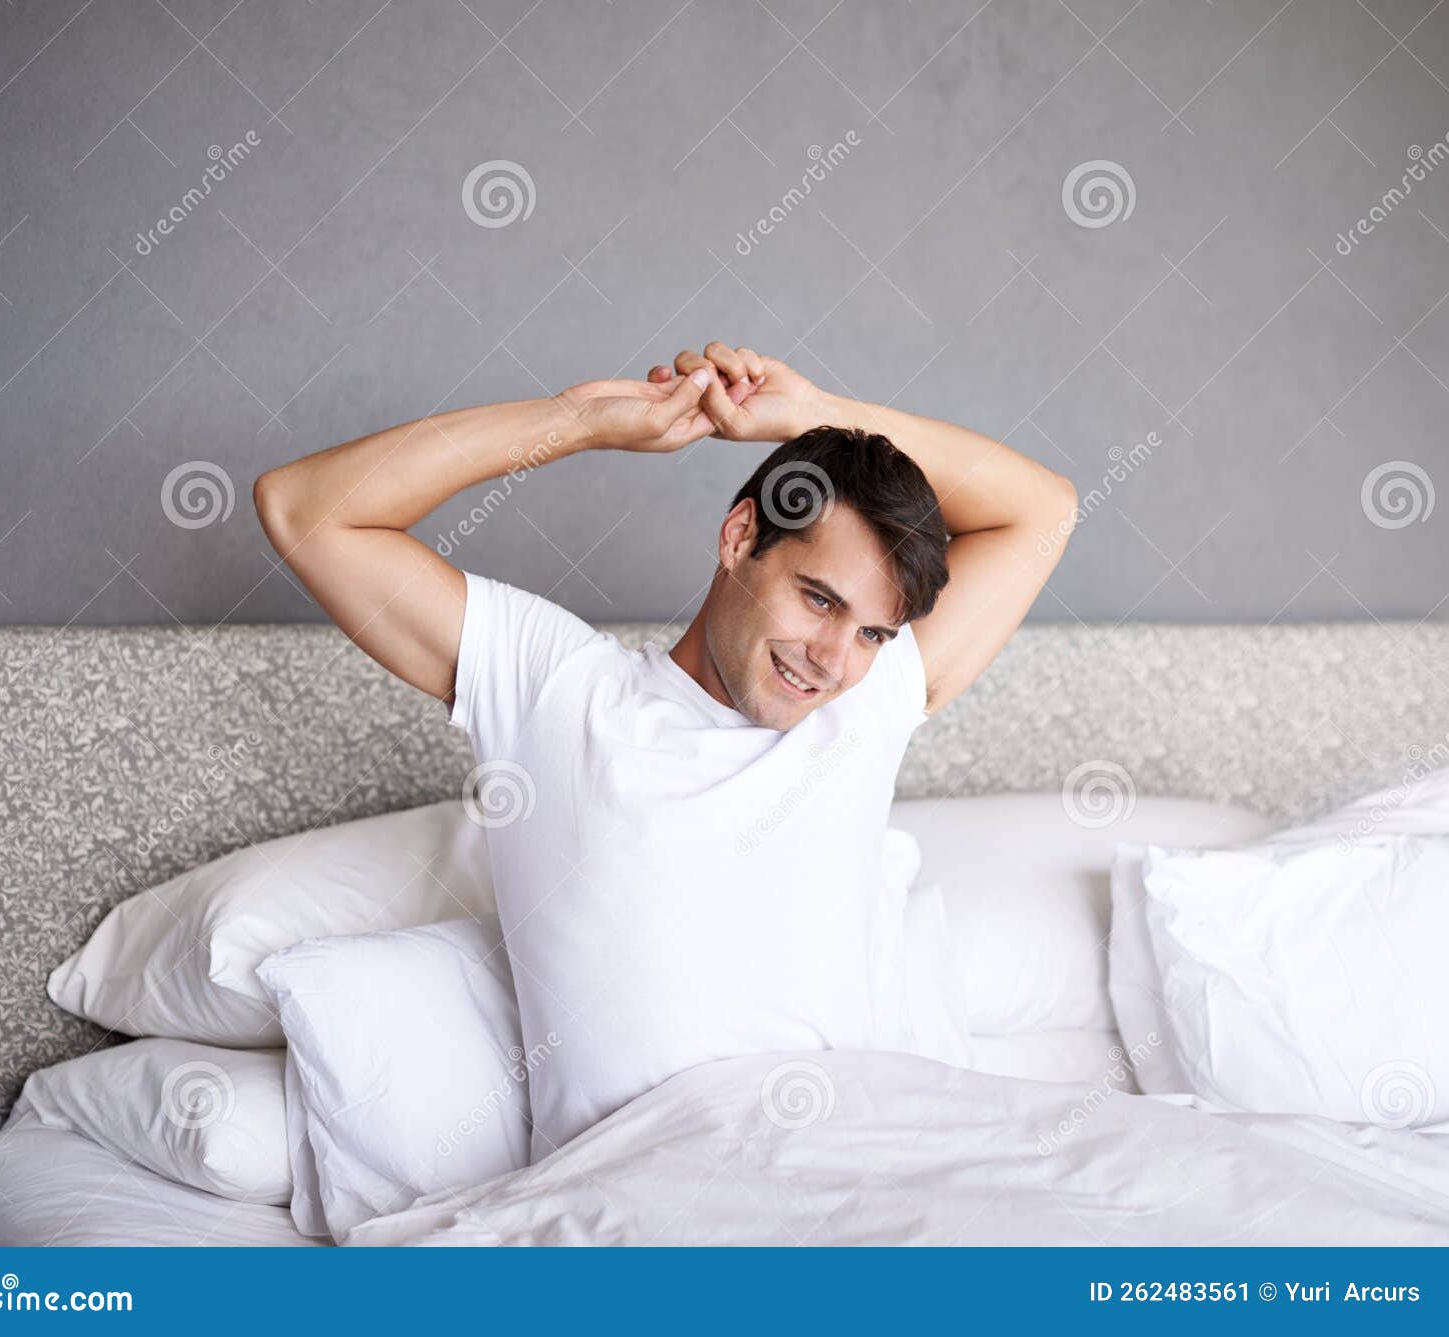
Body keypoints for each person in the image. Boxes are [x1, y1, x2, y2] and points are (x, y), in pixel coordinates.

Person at [254, 341, 1079, 1151]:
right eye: (818, 600)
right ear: (739, 536)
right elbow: (305, 508)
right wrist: (574, 423)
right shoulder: (564, 693)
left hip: (874, 1172)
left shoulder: (865, 705)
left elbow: (1043, 509)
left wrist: (819, 418)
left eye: (870, 631)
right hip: (657, 1198)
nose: (832, 661)